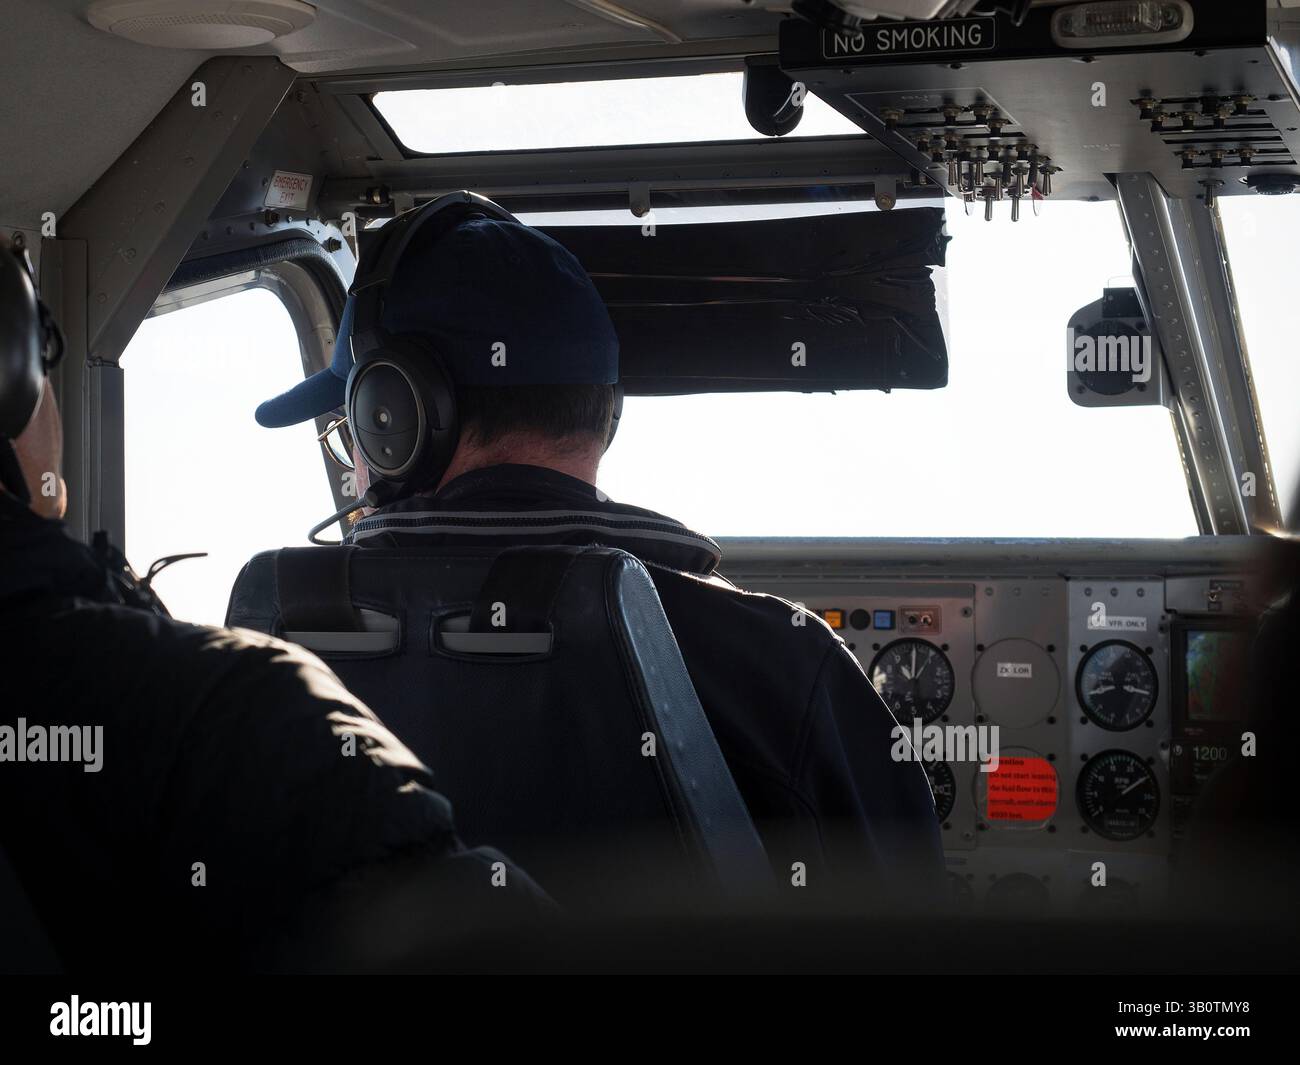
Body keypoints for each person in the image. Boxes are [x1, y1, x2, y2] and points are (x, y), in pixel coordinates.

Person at [254, 199, 944, 900]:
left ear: (392, 420)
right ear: (605, 413)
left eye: (350, 428)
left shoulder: (274, 662)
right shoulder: (784, 665)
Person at [0, 236, 549, 974]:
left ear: (393, 422)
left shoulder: (273, 637)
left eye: (346, 429)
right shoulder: (238, 712)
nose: (353, 468)